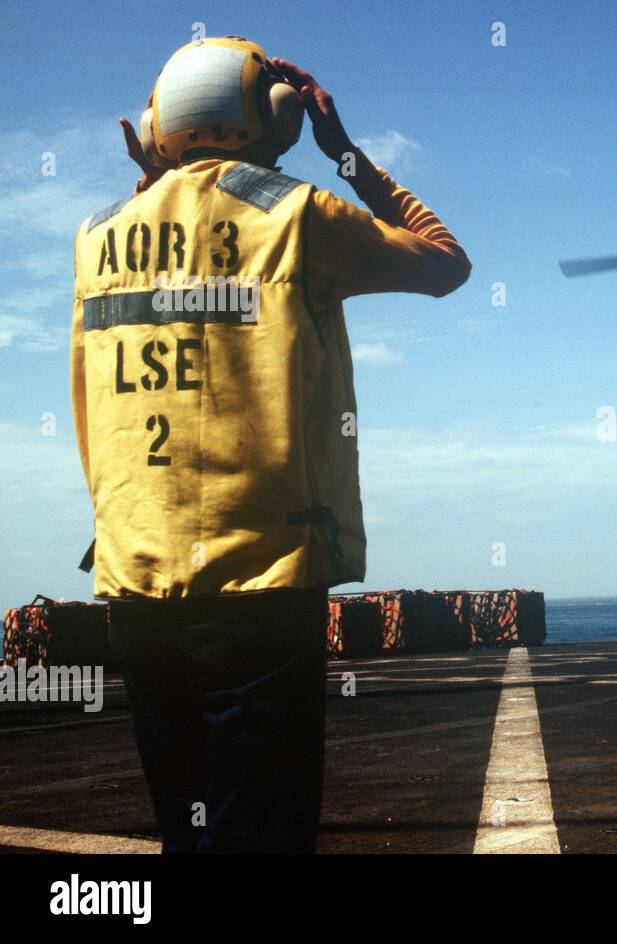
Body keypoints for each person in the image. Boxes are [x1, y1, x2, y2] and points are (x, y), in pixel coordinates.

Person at [69, 36, 471, 853]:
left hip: (136, 583)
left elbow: (173, 267)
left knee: (185, 826)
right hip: (261, 579)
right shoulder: (296, 214)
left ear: (158, 124)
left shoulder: (95, 237)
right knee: (263, 833)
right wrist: (346, 154)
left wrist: (153, 178)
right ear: (277, 117)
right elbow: (445, 263)